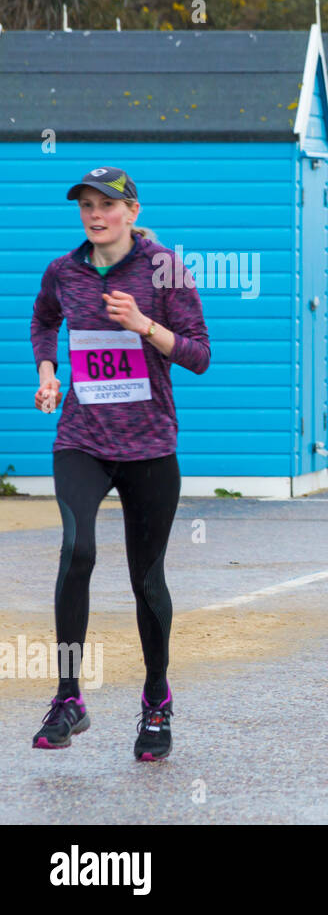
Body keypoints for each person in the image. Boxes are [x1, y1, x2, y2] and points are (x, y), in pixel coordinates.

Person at [30, 167, 211, 760]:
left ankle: (156, 702)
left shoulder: (165, 270)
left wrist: (143, 325)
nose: (94, 214)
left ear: (132, 211)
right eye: (85, 205)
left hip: (150, 447)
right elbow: (44, 319)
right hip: (81, 436)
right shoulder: (64, 270)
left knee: (146, 580)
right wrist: (49, 372)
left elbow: (199, 355)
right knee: (77, 550)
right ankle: (68, 697)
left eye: (106, 204)